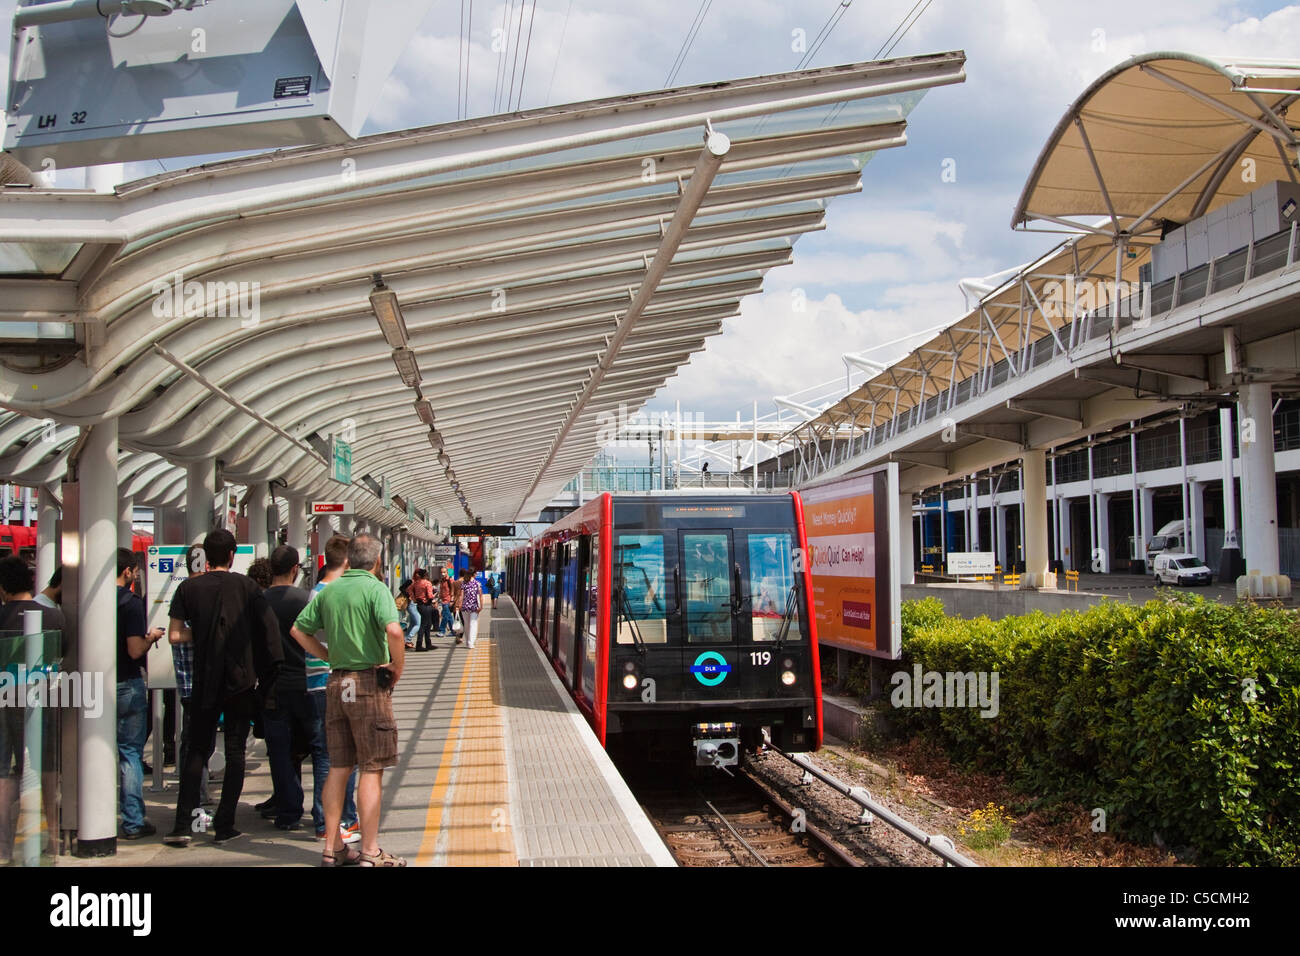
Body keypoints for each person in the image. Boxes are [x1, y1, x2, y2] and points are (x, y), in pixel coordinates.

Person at [291, 534, 407, 866]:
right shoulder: (375, 589)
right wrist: (397, 667)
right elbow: (395, 632)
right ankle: (370, 851)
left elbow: (298, 631)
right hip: (368, 682)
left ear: (348, 560)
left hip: (337, 683)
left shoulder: (332, 589)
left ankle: (333, 847)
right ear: (376, 561)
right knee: (372, 768)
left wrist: (327, 656)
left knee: (339, 766)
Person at [163, 530, 283, 846]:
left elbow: (175, 636)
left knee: (196, 751)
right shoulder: (247, 588)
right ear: (232, 555)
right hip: (241, 683)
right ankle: (224, 824)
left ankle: (183, 825)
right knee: (235, 752)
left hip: (204, 683)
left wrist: (201, 636)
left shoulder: (188, 588)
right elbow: (269, 635)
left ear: (205, 556)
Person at [0, 554, 66, 862]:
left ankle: (2, 844)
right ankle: (52, 838)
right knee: (48, 768)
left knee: (3, 770)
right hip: (44, 700)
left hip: (3, 703)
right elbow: (61, 654)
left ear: (2, 588)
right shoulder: (53, 618)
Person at [305, 536, 361, 844]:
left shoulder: (315, 592)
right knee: (343, 754)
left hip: (315, 681)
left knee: (324, 754)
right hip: (336, 681)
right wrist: (332, 658)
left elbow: (300, 631)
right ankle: (343, 820)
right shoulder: (337, 593)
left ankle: (324, 819)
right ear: (348, 561)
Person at [112, 548, 166, 839]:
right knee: (129, 753)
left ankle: (93, 813)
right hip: (127, 683)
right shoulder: (131, 604)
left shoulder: (91, 599)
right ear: (128, 572)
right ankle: (133, 821)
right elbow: (135, 650)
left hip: (95, 684)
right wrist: (151, 638)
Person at [261, 546, 314, 831]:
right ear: (295, 569)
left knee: (279, 750)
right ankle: (321, 814)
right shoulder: (306, 599)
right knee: (318, 749)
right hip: (306, 683)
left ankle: (288, 811)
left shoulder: (257, 601)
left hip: (272, 687)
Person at [458, 568, 485, 650]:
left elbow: (461, 595)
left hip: (465, 607)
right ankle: (471, 642)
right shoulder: (477, 584)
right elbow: (480, 596)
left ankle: (467, 642)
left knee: (466, 624)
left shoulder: (464, 583)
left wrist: (459, 605)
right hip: (474, 607)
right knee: (473, 624)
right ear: (474, 574)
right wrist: (481, 606)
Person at [409, 569, 435, 650]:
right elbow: (430, 595)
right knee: (425, 624)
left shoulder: (416, 583)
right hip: (426, 604)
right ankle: (419, 644)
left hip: (419, 604)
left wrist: (414, 598)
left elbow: (409, 590)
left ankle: (428, 643)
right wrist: (434, 597)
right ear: (426, 575)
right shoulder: (427, 583)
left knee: (427, 623)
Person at [437, 568, 456, 636]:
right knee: (448, 616)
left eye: (444, 572)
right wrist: (438, 599)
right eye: (441, 572)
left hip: (448, 600)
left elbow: (453, 590)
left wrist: (452, 600)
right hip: (443, 600)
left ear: (447, 572)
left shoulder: (450, 580)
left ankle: (442, 631)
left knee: (446, 616)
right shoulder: (442, 581)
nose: (443, 574)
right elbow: (441, 591)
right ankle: (453, 631)